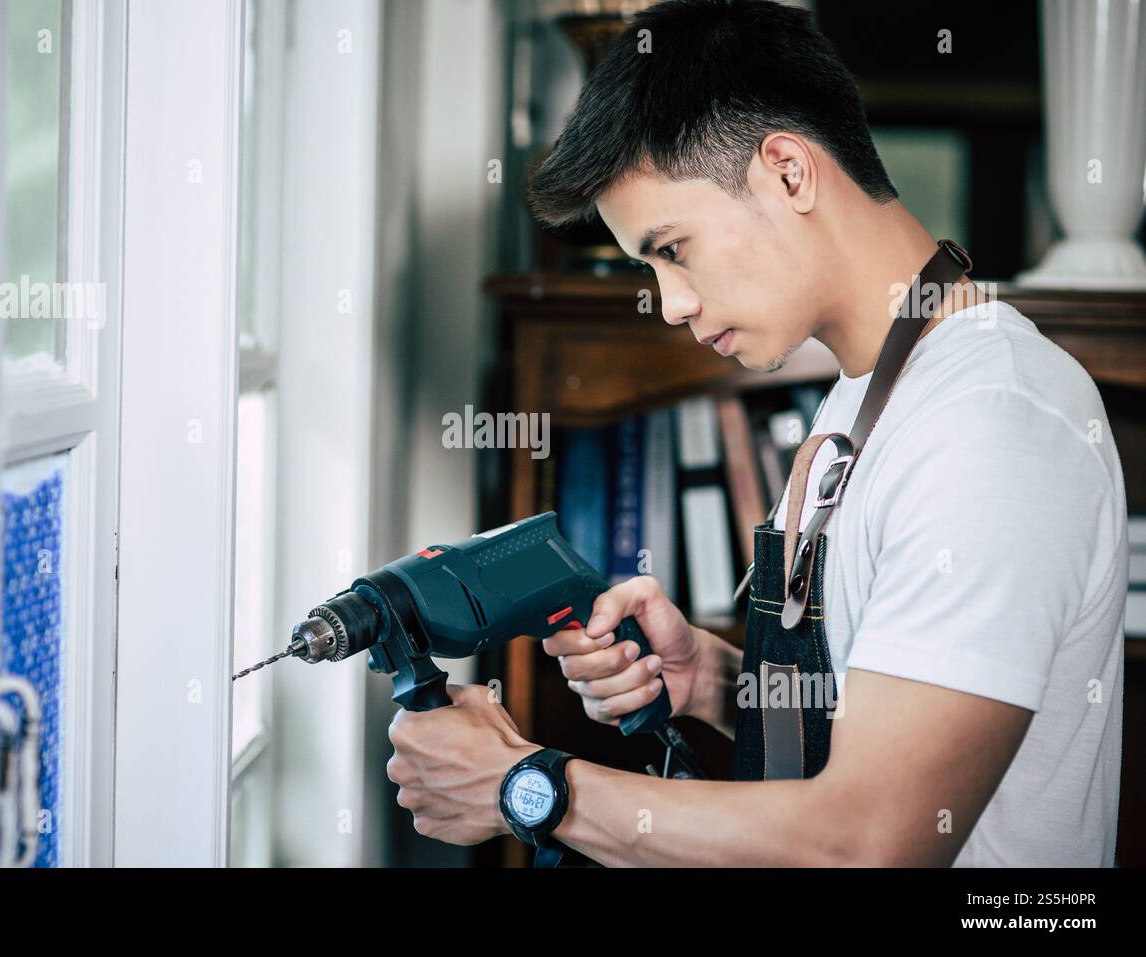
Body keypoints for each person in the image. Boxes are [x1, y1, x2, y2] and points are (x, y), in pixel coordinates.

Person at [385, 0, 1127, 866]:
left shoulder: (990, 422)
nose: (671, 304)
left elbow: (869, 843)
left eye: (674, 249)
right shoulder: (865, 397)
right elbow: (881, 726)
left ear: (787, 171)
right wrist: (714, 678)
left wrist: (529, 786)